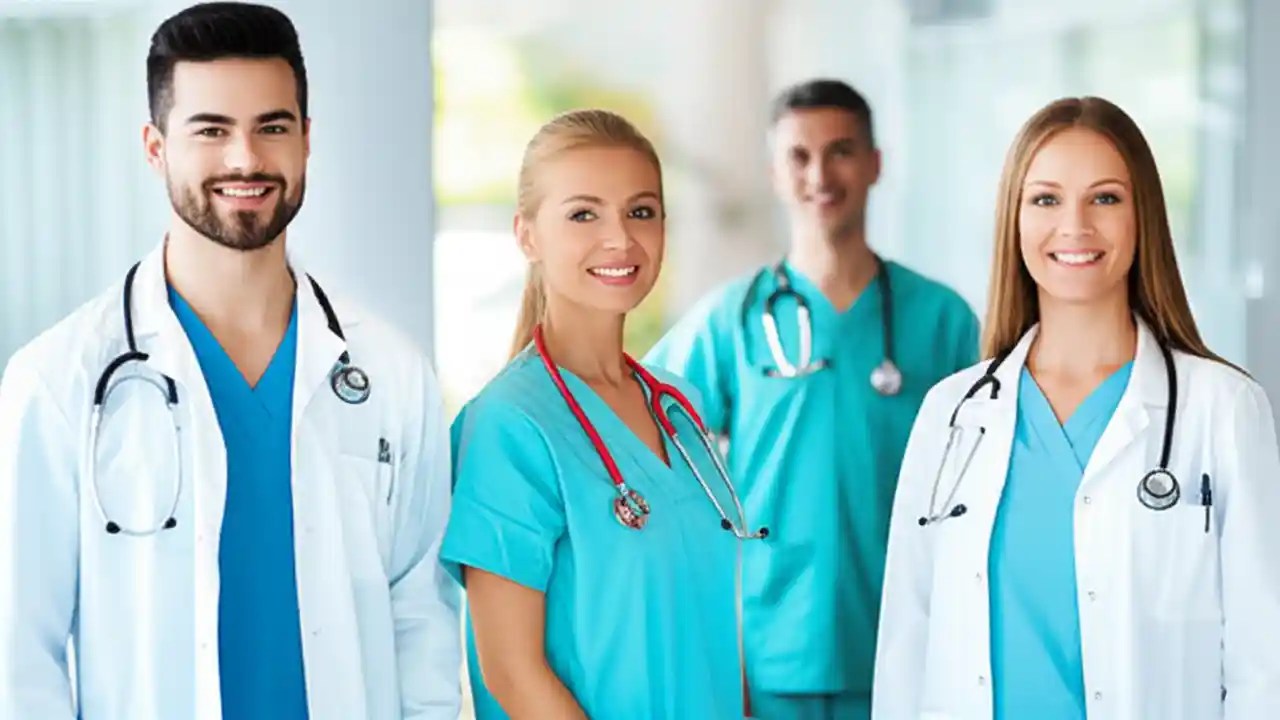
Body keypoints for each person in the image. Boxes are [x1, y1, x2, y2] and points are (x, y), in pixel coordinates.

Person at [0, 4, 460, 718]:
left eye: (272, 127)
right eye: (211, 130)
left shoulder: (392, 377)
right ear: (155, 148)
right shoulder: (57, 382)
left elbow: (421, 622)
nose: (245, 159)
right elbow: (20, 660)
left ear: (307, 140)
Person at [873, 96, 1280, 719]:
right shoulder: (952, 415)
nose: (1075, 227)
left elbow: (1263, 666)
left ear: (1142, 216)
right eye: (1046, 199)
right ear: (1014, 219)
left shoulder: (1222, 410)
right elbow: (907, 647)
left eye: (1106, 198)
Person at [643, 78, 979, 719]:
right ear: (776, 171)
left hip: (906, 643)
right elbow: (641, 442)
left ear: (876, 163)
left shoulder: (942, 321)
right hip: (768, 651)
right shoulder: (731, 322)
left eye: (841, 150)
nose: (820, 173)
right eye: (799, 155)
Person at [439, 109, 760, 719]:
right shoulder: (510, 424)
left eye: (641, 211)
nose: (620, 238)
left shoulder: (677, 404)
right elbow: (510, 671)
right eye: (584, 213)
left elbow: (705, 620)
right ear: (527, 234)